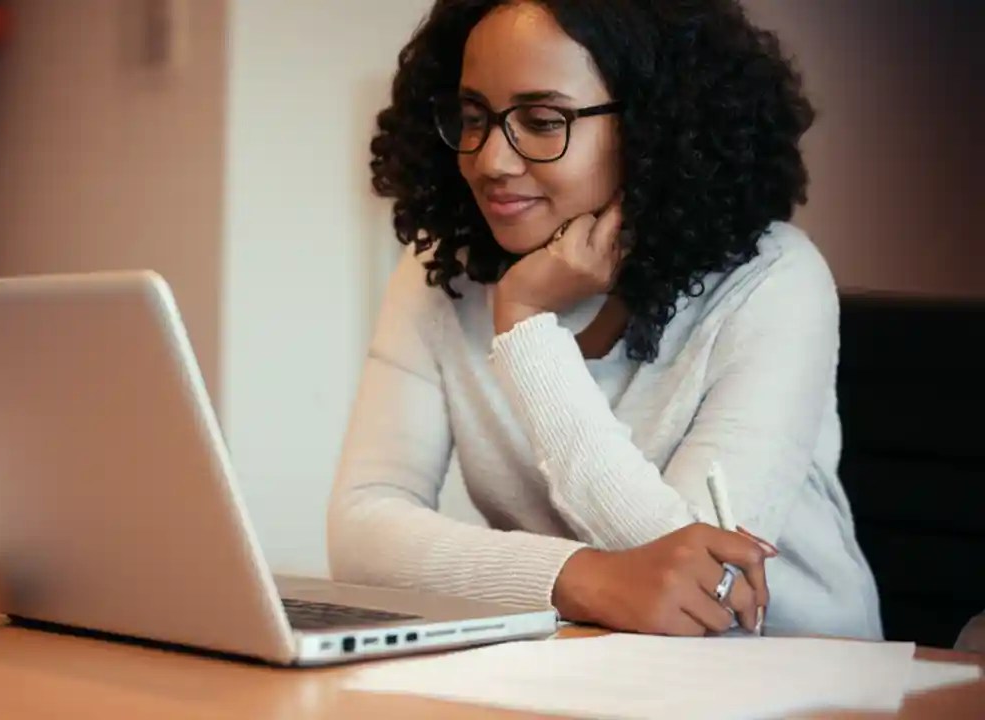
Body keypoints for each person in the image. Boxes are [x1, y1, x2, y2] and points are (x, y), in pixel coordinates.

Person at [327, 0, 883, 640]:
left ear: (653, 125)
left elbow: (705, 590)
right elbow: (362, 528)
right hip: (582, 666)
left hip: (802, 675)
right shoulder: (441, 273)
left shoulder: (775, 279)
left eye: (541, 120)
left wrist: (527, 323)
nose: (490, 161)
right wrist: (581, 579)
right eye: (474, 117)